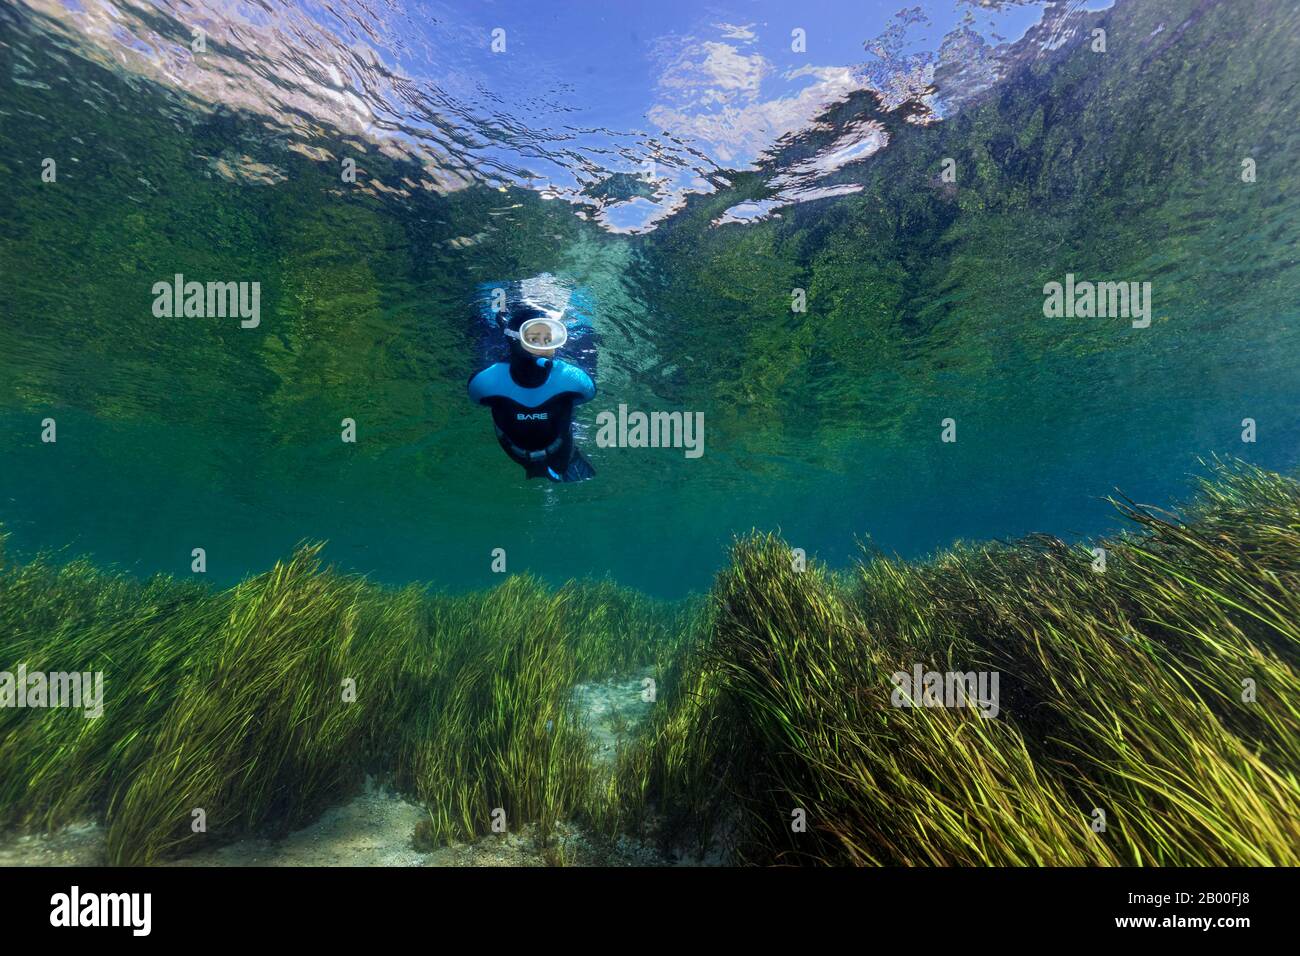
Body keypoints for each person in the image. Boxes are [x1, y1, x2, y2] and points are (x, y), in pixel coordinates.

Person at [468, 304, 597, 482]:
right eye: (534, 339)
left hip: (562, 448)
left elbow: (588, 393)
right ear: (515, 340)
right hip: (514, 452)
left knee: (564, 468)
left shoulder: (572, 378)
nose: (545, 348)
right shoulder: (486, 381)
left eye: (549, 339)